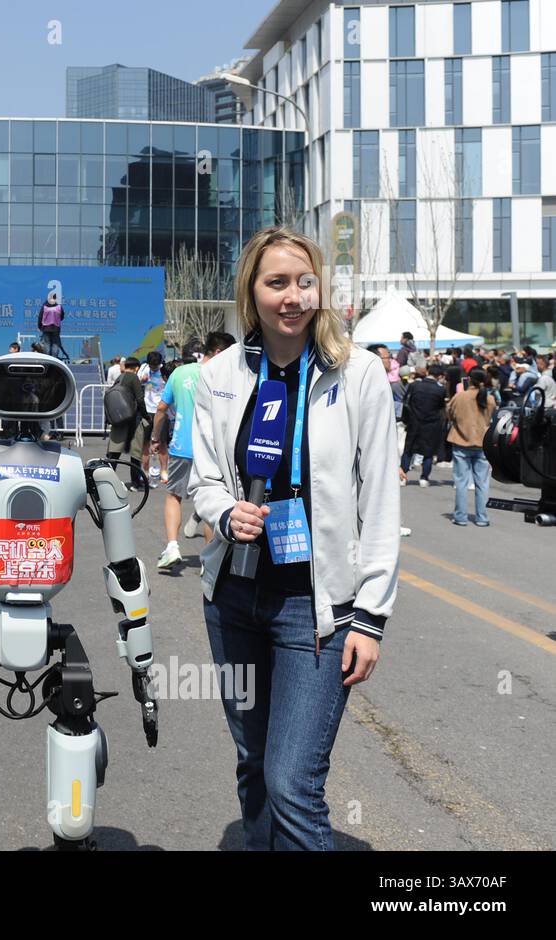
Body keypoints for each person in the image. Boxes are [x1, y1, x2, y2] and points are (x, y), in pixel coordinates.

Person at [190, 227, 397, 851]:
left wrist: (372, 617)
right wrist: (227, 513)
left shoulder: (357, 373)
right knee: (253, 766)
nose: (293, 297)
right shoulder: (220, 374)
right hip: (234, 595)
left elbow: (381, 501)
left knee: (291, 781)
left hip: (318, 609)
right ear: (251, 293)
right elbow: (202, 480)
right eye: (276, 283)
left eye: (304, 282)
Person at [154, 332, 235, 570]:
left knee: (174, 496)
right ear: (219, 352)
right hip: (213, 448)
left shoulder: (180, 372)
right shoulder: (224, 375)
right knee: (213, 498)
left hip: (181, 446)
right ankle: (209, 559)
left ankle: (172, 547)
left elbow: (161, 408)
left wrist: (156, 437)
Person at [447, 368, 497, 527]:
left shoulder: (460, 396)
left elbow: (450, 414)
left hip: (461, 441)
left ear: (469, 379)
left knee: (461, 482)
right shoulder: (489, 399)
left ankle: (460, 516)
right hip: (482, 443)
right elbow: (491, 418)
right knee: (482, 483)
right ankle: (482, 517)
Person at [401, 364, 448, 486]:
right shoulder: (441, 390)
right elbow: (441, 407)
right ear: (439, 376)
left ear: (428, 372)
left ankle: (403, 476)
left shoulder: (414, 386)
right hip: (432, 424)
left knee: (409, 450)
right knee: (428, 452)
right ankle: (424, 478)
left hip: (414, 422)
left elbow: (406, 402)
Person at [106, 357, 144, 480]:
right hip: (132, 419)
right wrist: (146, 416)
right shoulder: (134, 378)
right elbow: (139, 399)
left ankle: (108, 479)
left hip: (118, 418)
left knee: (114, 452)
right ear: (137, 367)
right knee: (135, 453)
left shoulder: (119, 378)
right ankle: (136, 482)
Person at [137, 350, 167, 482]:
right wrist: (141, 380)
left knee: (162, 443)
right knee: (145, 443)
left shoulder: (165, 370)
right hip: (147, 410)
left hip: (161, 410)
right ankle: (145, 471)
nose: (153, 368)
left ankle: (164, 471)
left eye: (155, 366)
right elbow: (136, 383)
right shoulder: (144, 368)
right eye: (151, 365)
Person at [37, 294, 69, 362]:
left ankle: (47, 359)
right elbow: (62, 316)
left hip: (45, 328)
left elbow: (40, 317)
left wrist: (40, 326)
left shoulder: (44, 306)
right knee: (55, 344)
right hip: (56, 328)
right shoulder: (59, 307)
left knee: (47, 344)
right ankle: (54, 360)